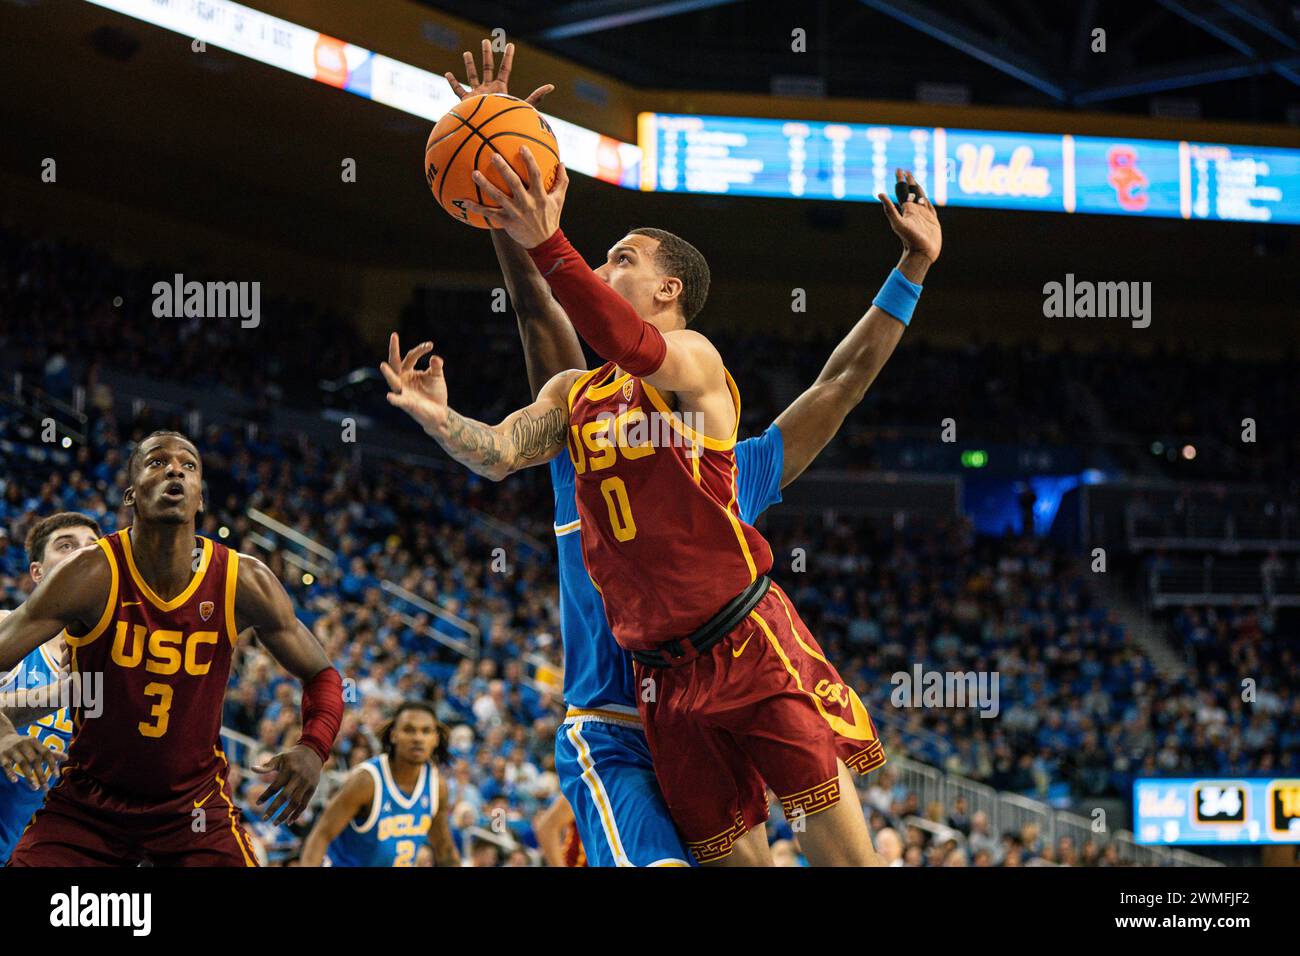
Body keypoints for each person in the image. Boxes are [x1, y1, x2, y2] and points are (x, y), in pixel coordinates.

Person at [383, 108, 941, 861]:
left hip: (744, 641)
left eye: (622, 258)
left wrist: (911, 270)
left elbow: (838, 384)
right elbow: (496, 447)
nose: (607, 268)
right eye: (603, 258)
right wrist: (438, 419)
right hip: (653, 689)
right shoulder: (574, 403)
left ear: (669, 287)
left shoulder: (707, 390)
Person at [0, 430, 344, 866]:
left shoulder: (244, 581)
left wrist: (314, 746)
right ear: (131, 494)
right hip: (89, 804)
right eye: (157, 462)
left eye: (189, 464)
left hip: (193, 808)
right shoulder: (89, 574)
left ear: (200, 497)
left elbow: (323, 674)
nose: (175, 470)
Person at [0, 512, 102, 862]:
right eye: (66, 545)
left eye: (93, 547)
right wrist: (60, 695)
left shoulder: (120, 660)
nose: (83, 554)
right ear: (37, 572)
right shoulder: (4, 628)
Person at [300, 701, 457, 867]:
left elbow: (444, 849)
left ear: (436, 739)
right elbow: (321, 835)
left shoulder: (436, 785)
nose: (418, 738)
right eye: (409, 730)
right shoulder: (367, 780)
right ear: (393, 735)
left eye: (426, 731)